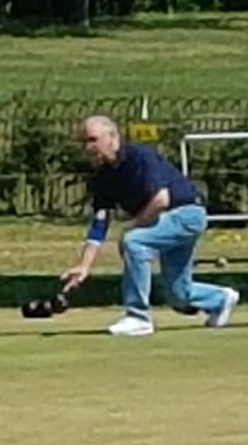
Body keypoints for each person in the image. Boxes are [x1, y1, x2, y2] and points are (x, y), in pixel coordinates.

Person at [59, 115, 238, 338]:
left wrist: (132, 227)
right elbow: (100, 222)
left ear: (112, 137)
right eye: (84, 142)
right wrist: (84, 266)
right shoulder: (103, 177)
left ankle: (138, 317)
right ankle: (220, 299)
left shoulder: (140, 156)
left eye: (93, 140)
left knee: (135, 242)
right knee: (178, 293)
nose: (88, 147)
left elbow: (161, 199)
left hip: (187, 214)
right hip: (163, 221)